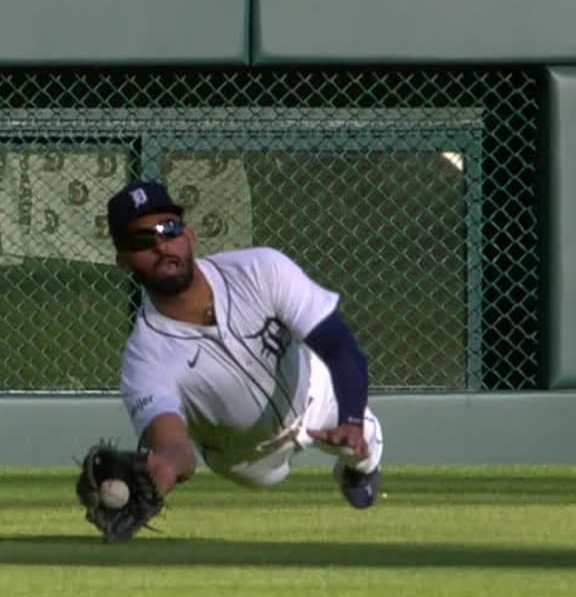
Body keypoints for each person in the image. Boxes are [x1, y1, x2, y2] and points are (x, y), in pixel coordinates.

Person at [105, 179, 384, 508]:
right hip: (245, 457)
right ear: (124, 261)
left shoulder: (260, 270)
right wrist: (157, 478)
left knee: (360, 444)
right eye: (142, 239)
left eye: (170, 228)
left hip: (314, 397)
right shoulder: (145, 358)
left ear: (189, 234)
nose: (162, 245)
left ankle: (358, 470)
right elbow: (176, 449)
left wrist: (349, 421)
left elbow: (340, 347)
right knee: (269, 478)